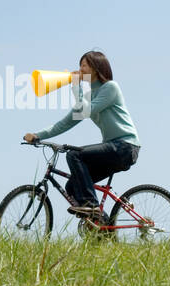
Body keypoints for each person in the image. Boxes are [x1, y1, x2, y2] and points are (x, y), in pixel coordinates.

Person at [23, 50, 140, 224]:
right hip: (113, 147)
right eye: (80, 65)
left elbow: (87, 110)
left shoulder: (110, 88)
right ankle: (102, 227)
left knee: (74, 154)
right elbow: (65, 123)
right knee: (72, 186)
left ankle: (92, 206)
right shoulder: (87, 97)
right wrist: (37, 135)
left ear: (95, 68)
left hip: (125, 146)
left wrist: (76, 85)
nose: (80, 69)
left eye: (84, 65)